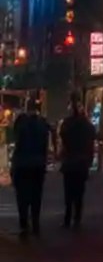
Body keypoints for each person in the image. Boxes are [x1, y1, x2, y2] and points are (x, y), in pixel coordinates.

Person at [11, 97, 52, 238]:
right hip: (38, 164)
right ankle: (35, 222)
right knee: (36, 195)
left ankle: (24, 225)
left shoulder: (21, 122)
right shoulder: (42, 124)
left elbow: (16, 139)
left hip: (22, 164)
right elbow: (45, 145)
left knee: (22, 196)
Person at [58, 93, 97, 229]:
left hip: (70, 161)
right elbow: (91, 142)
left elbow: (63, 139)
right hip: (81, 161)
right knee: (79, 192)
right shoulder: (87, 125)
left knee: (68, 192)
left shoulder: (67, 124)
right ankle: (77, 218)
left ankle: (68, 218)